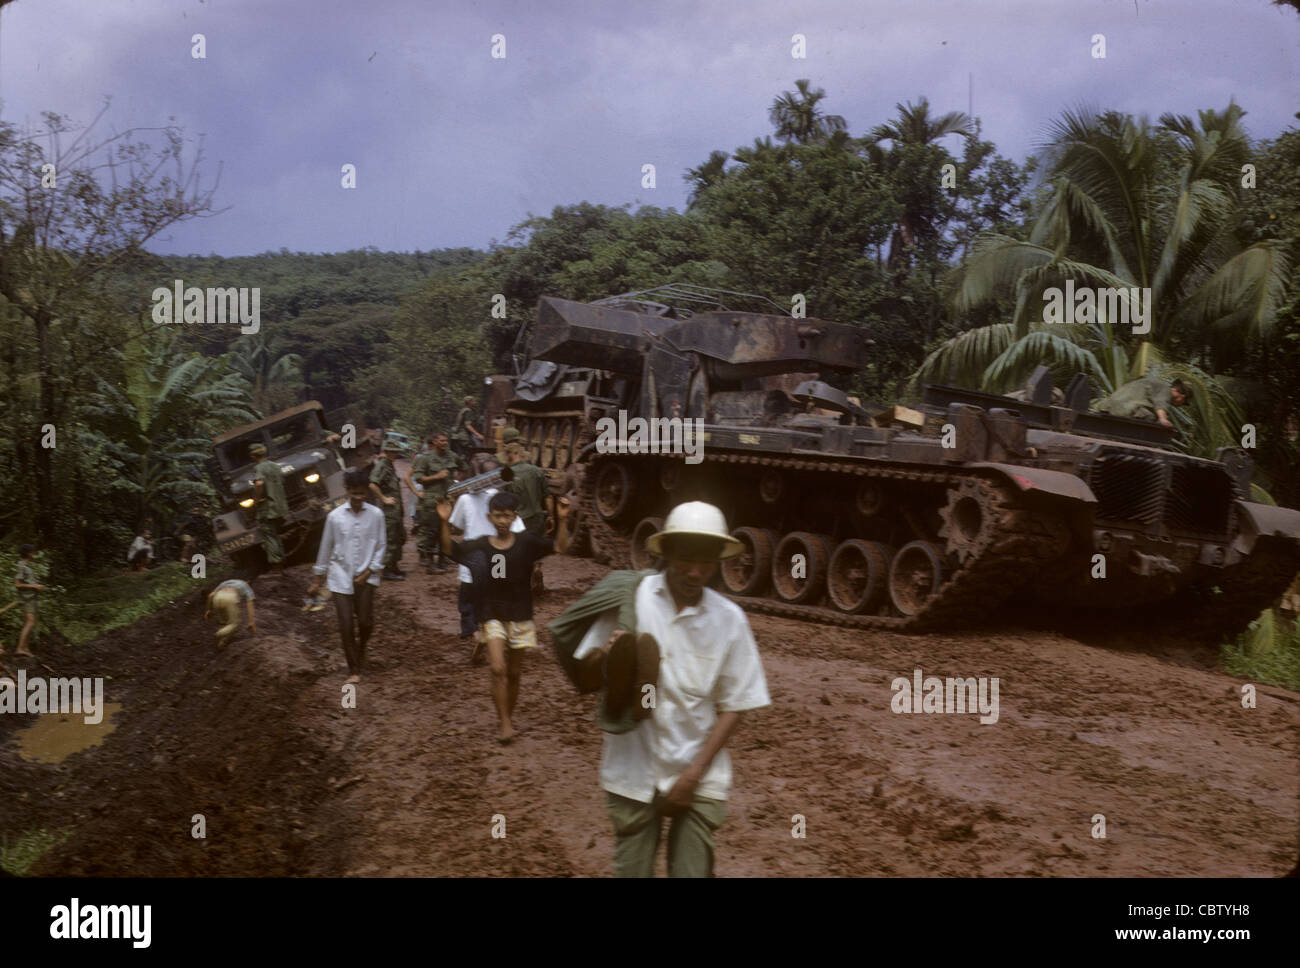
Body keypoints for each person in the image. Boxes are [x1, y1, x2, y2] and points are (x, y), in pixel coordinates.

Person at [587, 502, 770, 878]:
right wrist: (606, 657)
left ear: (719, 560)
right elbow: (584, 674)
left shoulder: (729, 620)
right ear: (665, 553)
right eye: (685, 559)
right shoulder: (630, 598)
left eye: (706, 562)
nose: (695, 571)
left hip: (699, 771)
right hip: (633, 768)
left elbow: (736, 705)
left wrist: (691, 777)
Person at [437, 490, 570, 745]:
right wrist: (443, 521)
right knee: (498, 669)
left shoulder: (526, 543)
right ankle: (505, 724)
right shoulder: (481, 546)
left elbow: (560, 546)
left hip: (521, 613)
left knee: (515, 672)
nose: (501, 521)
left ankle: (506, 715)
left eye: (506, 516)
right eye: (497, 516)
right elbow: (448, 548)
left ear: (514, 517)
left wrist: (562, 519)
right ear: (489, 517)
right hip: (491, 613)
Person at [308, 468, 387, 684]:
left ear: (367, 493)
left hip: (367, 576)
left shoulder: (376, 515)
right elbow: (326, 548)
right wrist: (317, 579)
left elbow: (381, 546)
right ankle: (353, 669)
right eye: (354, 494)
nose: (358, 499)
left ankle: (361, 651)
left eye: (362, 494)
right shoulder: (334, 517)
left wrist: (369, 571)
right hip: (339, 576)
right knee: (345, 624)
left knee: (365, 622)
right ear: (347, 491)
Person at [446, 458, 525, 652]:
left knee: (468, 602)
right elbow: (519, 529)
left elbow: (456, 525)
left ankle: (476, 633)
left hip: (472, 560)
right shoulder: (502, 501)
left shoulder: (465, 499)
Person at [406, 433, 466, 574]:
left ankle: (442, 560)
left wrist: (455, 483)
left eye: (446, 440)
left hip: (447, 499)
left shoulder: (452, 456)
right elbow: (419, 478)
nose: (445, 443)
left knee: (445, 531)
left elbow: (464, 467)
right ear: (435, 442)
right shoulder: (426, 458)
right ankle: (430, 564)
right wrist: (436, 476)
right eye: (442, 440)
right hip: (431, 500)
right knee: (431, 531)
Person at [370, 439, 407, 581]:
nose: (395, 454)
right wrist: (384, 499)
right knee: (390, 539)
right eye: (392, 451)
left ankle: (394, 567)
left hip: (395, 511)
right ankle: (386, 570)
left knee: (398, 538)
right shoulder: (381, 465)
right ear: (386, 451)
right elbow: (373, 485)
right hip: (388, 511)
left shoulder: (389, 465)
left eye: (396, 452)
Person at [250, 442, 289, 573]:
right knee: (275, 534)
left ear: (253, 456)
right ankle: (282, 562)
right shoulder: (275, 466)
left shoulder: (259, 468)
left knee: (269, 535)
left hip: (268, 508)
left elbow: (259, 483)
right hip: (280, 506)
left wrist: (256, 499)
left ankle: (276, 566)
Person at [1094, 376, 1191, 429]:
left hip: (1108, 406)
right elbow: (1161, 403)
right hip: (1124, 411)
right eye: (1183, 403)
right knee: (1151, 416)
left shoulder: (1153, 384)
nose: (1180, 405)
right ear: (1182, 397)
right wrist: (1163, 419)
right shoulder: (1166, 390)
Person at [205, 578, 256, 648]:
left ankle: (222, 642)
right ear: (247, 581)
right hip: (230, 597)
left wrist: (209, 610)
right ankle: (218, 634)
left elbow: (211, 595)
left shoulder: (225, 582)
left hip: (217, 598)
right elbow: (250, 603)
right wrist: (251, 621)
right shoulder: (245, 585)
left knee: (225, 623)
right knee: (234, 623)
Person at [12, 544, 43, 658]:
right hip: (27, 598)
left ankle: (25, 648)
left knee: (29, 622)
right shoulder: (21, 565)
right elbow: (17, 584)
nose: (34, 553)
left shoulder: (26, 566)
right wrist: (34, 586)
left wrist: (35, 586)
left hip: (30, 598)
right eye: (32, 552)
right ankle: (19, 648)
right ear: (28, 553)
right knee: (30, 622)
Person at [450, 395, 485, 464]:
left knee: (463, 454)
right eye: (474, 401)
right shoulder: (468, 411)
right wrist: (478, 435)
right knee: (474, 451)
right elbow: (468, 425)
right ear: (470, 402)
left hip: (457, 436)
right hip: (463, 436)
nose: (475, 402)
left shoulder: (463, 410)